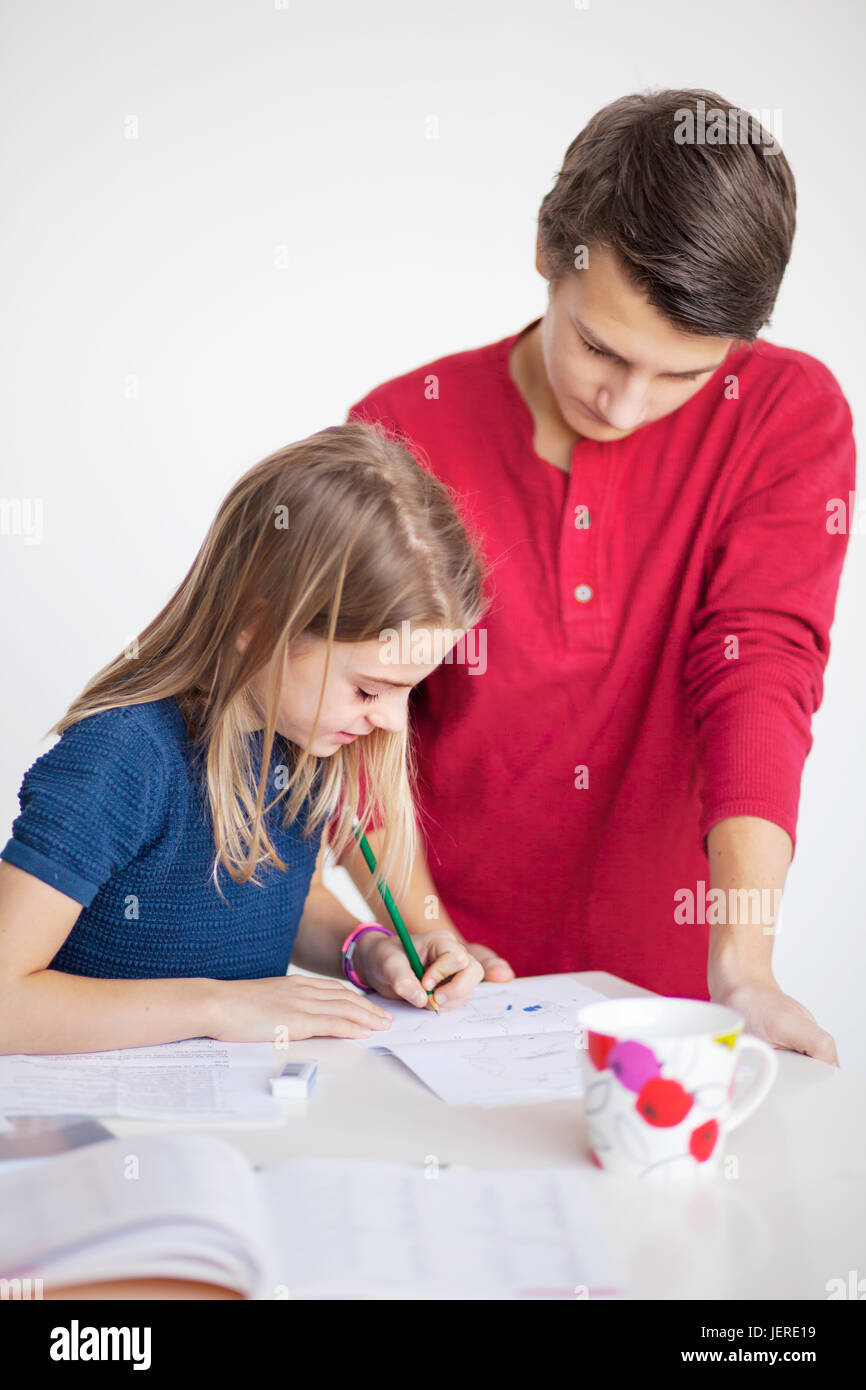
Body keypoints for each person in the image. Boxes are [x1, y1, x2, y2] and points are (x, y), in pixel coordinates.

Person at [340, 88, 856, 1063]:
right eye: (598, 348)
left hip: (667, 1015)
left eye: (682, 376)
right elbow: (353, 720)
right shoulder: (400, 428)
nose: (626, 403)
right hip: (447, 1000)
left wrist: (741, 964)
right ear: (547, 248)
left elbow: (758, 672)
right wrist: (420, 934)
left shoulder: (789, 417)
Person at [0, 421, 492, 1055]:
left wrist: (368, 952)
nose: (393, 721)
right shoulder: (121, 758)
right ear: (257, 629)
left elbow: (279, 903)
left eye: (409, 692)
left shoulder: (303, 741)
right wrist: (221, 1005)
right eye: (371, 689)